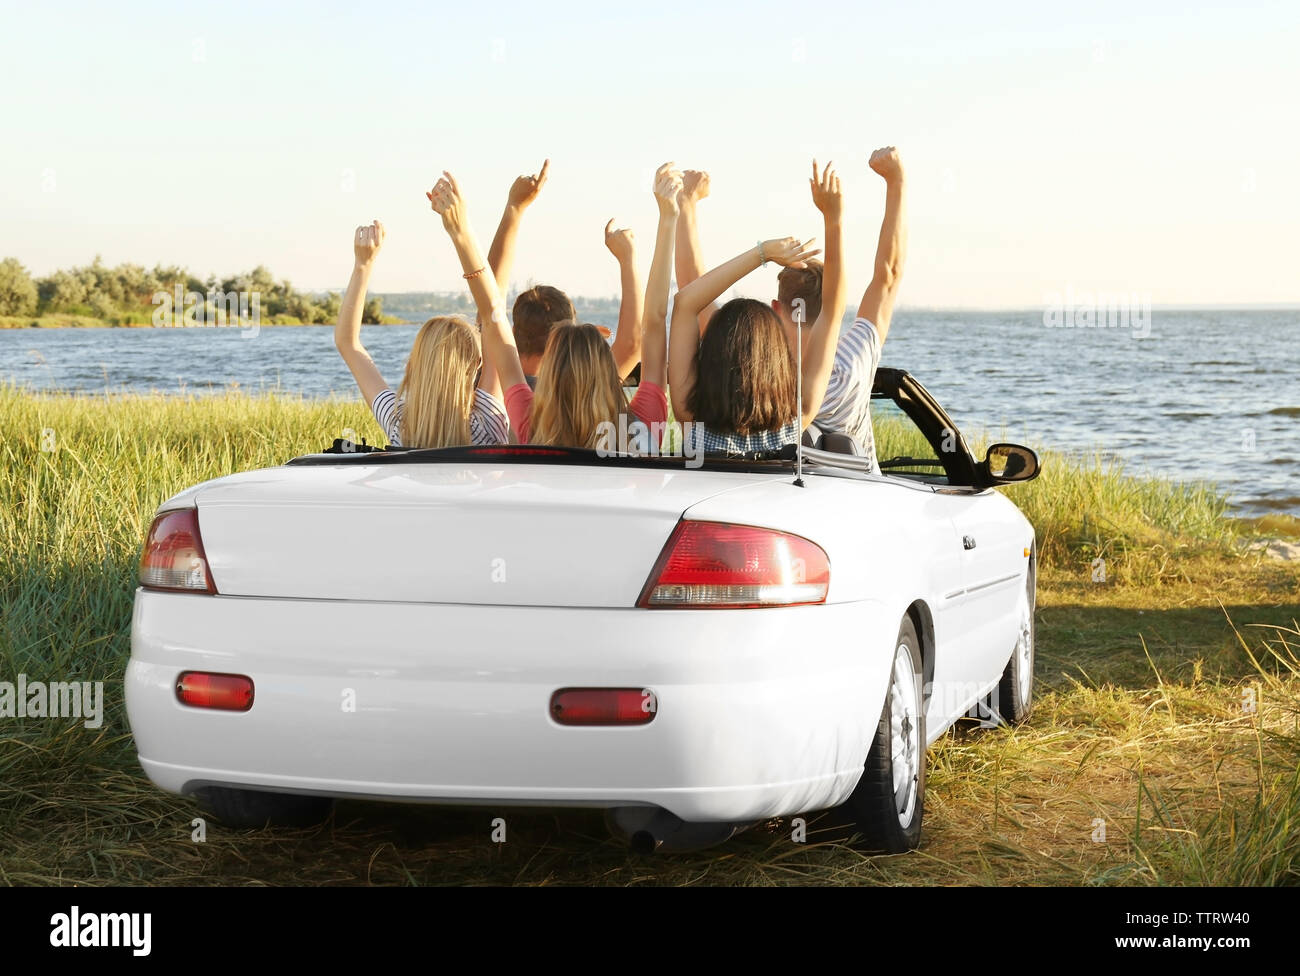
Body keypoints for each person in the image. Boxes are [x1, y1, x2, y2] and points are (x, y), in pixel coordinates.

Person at [675, 148, 906, 468]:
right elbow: (885, 279)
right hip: (847, 503)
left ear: (776, 307)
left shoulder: (691, 414)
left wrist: (688, 205)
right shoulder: (804, 403)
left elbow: (689, 296)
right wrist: (891, 185)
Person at [427, 166, 678, 449]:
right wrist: (666, 220)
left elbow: (491, 313)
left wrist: (464, 229)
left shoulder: (530, 423)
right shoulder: (642, 430)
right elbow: (650, 328)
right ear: (604, 367)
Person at [669, 161, 845, 455]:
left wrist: (761, 253)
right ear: (777, 359)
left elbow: (687, 301)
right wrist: (834, 218)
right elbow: (833, 308)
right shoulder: (797, 413)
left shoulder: (690, 414)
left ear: (711, 355)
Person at [333, 220, 507, 448]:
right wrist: (462, 229)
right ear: (476, 364)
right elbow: (493, 313)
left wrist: (363, 265)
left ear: (414, 363)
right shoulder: (487, 420)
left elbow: (348, 343)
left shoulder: (399, 423)